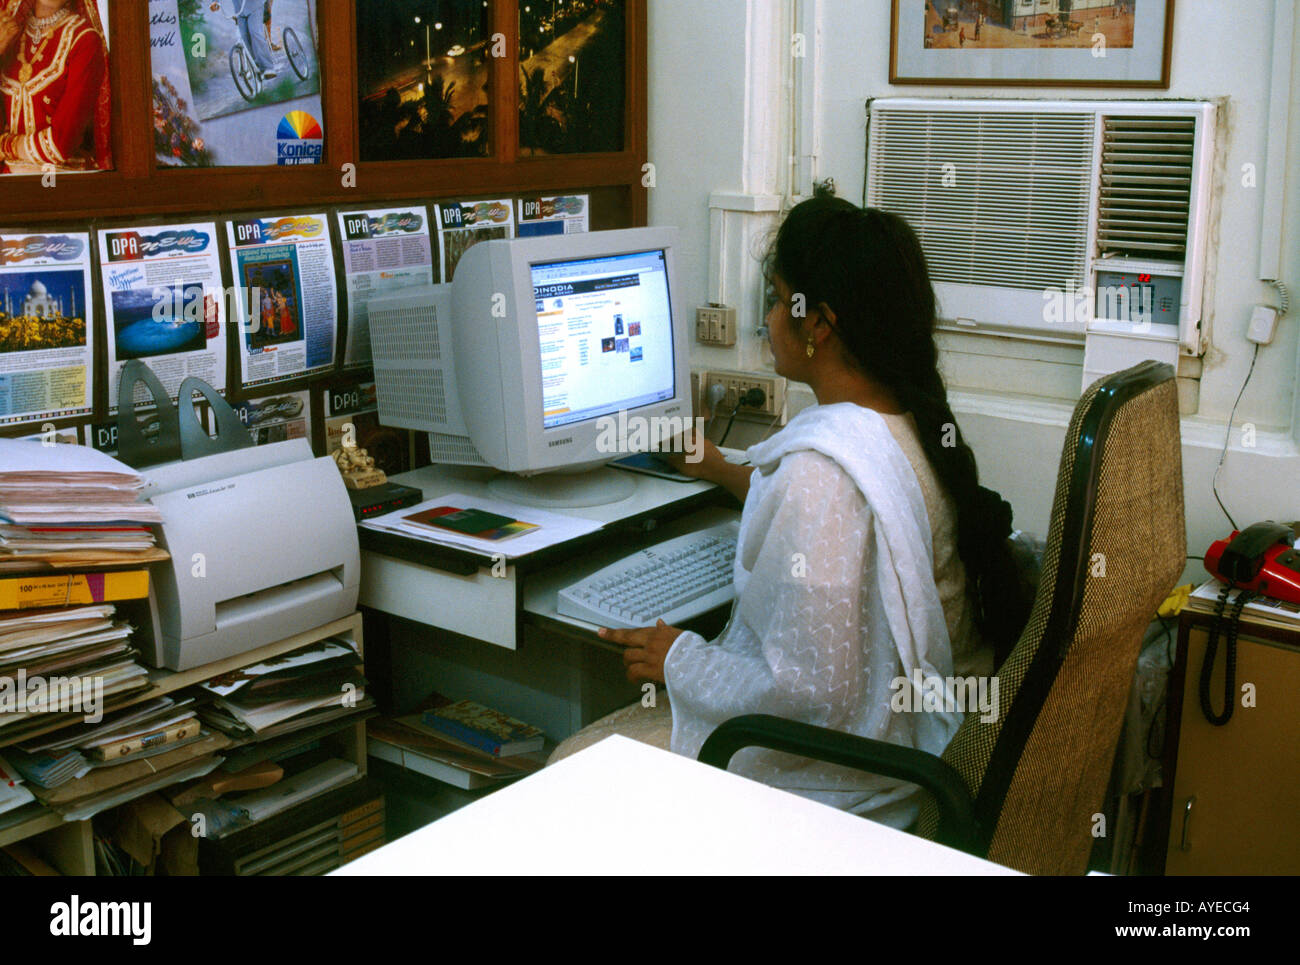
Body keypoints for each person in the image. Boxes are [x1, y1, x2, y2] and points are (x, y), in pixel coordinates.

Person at [548, 195, 1029, 827]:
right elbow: (851, 518)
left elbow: (810, 692)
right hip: (925, 735)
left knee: (571, 771)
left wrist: (679, 658)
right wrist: (723, 471)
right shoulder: (900, 423)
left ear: (818, 324)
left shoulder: (823, 471)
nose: (768, 318)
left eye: (776, 300)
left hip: (848, 777)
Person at [0, 0, 111, 175]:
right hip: (8, 184)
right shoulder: (9, 34)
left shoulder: (84, 41)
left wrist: (7, 145)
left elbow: (60, 145)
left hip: (61, 183)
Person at [210, 0, 277, 81]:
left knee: (255, 33)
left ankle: (268, 67)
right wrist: (215, 2)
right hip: (240, 11)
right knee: (244, 37)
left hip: (255, 6)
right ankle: (255, 66)